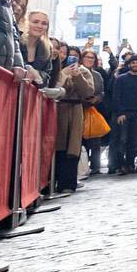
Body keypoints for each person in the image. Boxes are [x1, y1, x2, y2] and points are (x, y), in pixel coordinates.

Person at [54, 59, 95, 193]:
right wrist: (63, 74)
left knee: (73, 146)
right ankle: (53, 181)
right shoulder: (57, 69)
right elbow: (54, 87)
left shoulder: (84, 72)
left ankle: (69, 182)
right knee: (58, 145)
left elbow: (88, 92)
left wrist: (78, 76)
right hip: (57, 108)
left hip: (76, 109)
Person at [112, 55, 137, 175]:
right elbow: (116, 97)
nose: (135, 65)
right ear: (129, 64)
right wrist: (120, 113)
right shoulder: (121, 79)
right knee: (122, 140)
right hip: (124, 114)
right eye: (133, 62)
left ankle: (130, 164)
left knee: (134, 141)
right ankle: (120, 165)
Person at [78, 49, 109, 174]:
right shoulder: (77, 71)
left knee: (95, 139)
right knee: (80, 139)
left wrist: (96, 99)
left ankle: (95, 166)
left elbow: (102, 91)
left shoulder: (97, 75)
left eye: (92, 58)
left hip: (93, 108)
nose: (90, 60)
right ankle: (81, 167)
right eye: (87, 57)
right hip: (79, 107)